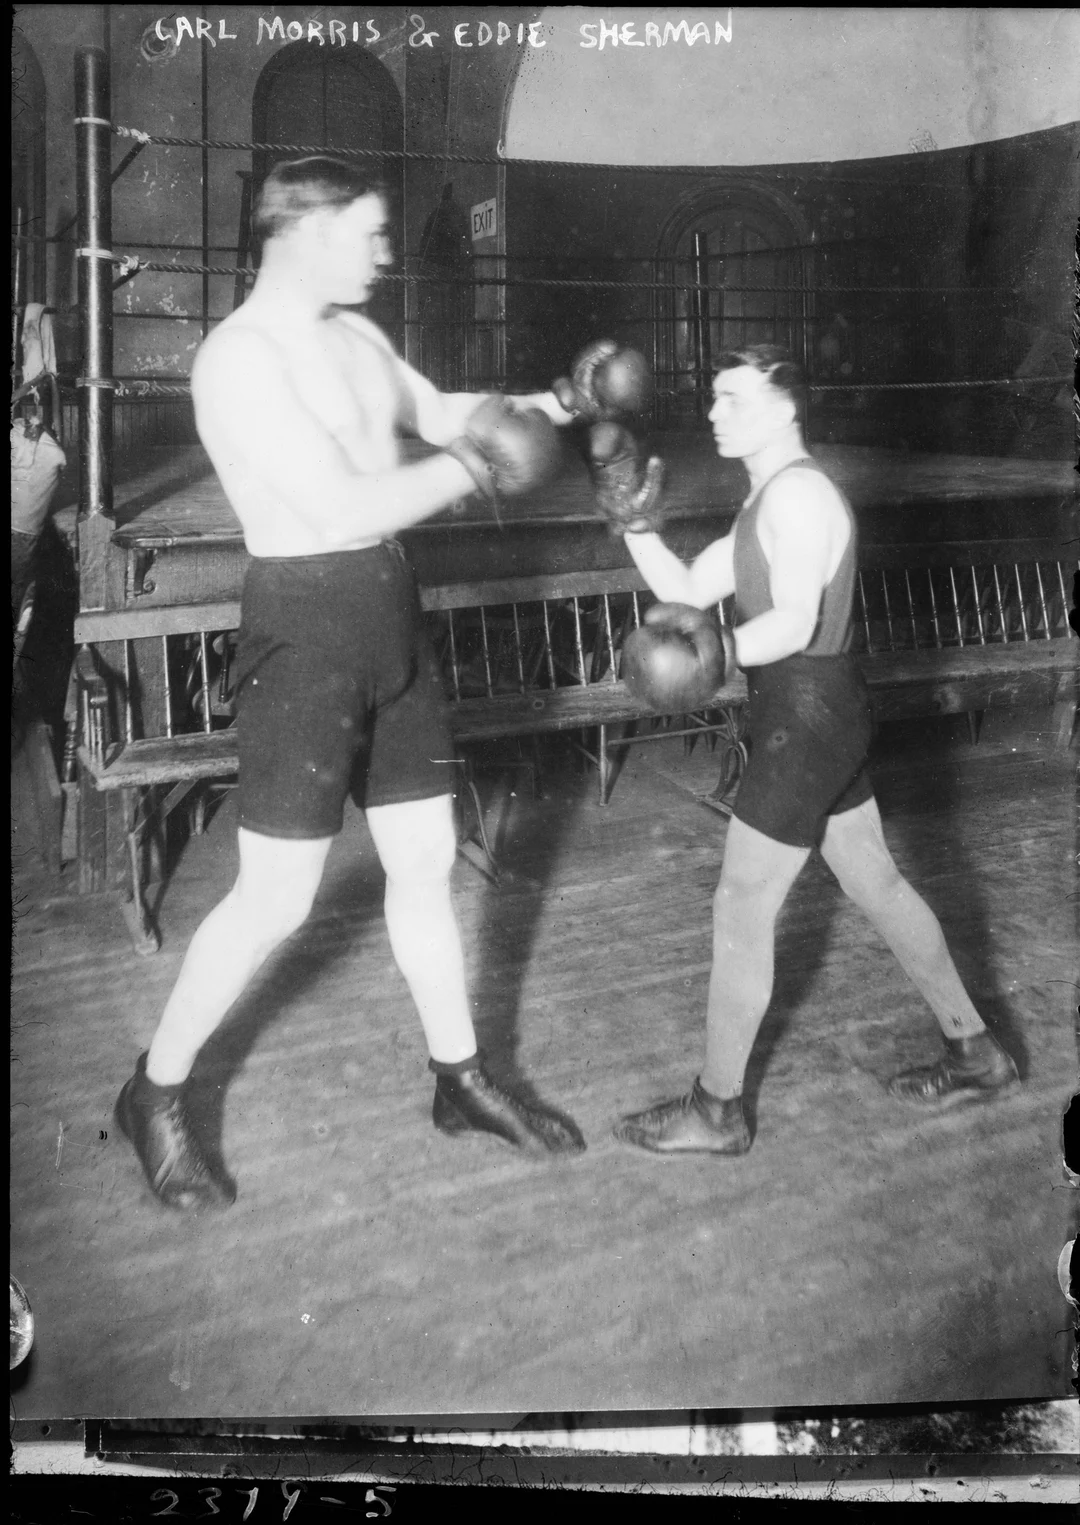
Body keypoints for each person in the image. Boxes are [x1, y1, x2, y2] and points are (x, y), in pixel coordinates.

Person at [115, 157, 596, 1210]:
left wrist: (559, 401)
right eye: (368, 233)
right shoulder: (237, 360)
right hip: (307, 622)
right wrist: (483, 466)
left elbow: (446, 408)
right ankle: (152, 1092)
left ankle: (460, 1076)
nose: (387, 251)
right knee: (276, 897)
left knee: (425, 858)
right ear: (302, 231)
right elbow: (333, 505)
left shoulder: (362, 336)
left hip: (390, 605)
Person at [591, 344, 1019, 1155]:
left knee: (741, 905)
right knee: (878, 882)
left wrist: (713, 652)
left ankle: (717, 1110)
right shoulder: (768, 498)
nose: (714, 412)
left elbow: (790, 622)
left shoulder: (804, 498)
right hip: (814, 710)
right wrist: (633, 522)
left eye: (733, 397)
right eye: (713, 398)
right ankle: (975, 1050)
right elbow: (684, 590)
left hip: (809, 715)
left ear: (786, 406)